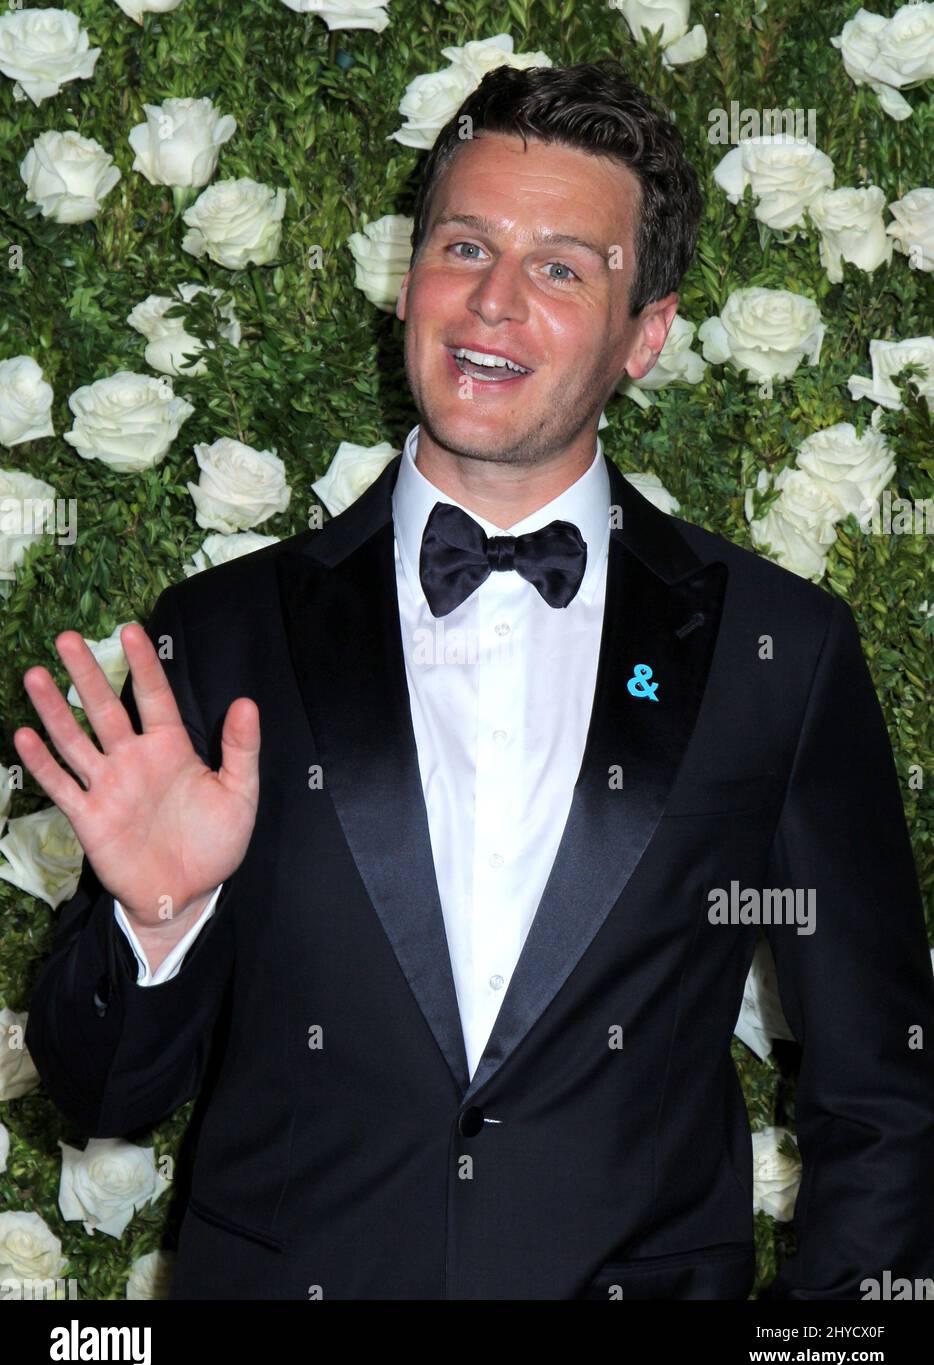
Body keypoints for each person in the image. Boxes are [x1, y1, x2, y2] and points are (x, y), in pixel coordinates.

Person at [19, 60, 934, 1301]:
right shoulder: (224, 632)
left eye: (561, 268)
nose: (493, 303)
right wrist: (157, 920)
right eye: (464, 247)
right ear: (411, 283)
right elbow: (102, 1089)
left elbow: (878, 1092)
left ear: (644, 336)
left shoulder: (783, 649)